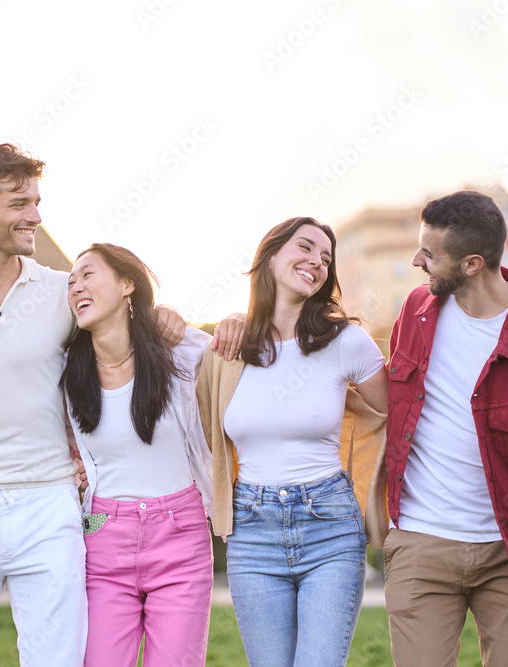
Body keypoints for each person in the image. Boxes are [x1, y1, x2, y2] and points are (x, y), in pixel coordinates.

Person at [0, 144, 187, 666]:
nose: (36, 216)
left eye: (37, 201)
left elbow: (121, 326)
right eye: (19, 203)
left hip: (49, 506)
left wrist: (167, 317)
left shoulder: (61, 293)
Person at [383, 190, 508, 666]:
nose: (417, 261)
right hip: (421, 542)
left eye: (429, 254)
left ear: (473, 263)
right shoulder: (415, 313)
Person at [197, 216, 388, 667]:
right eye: (305, 247)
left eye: (325, 258)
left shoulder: (347, 342)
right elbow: (194, 416)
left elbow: (394, 420)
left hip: (330, 524)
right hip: (251, 528)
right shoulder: (227, 350)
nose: (316, 262)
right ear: (269, 256)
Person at [61, 243, 214, 666]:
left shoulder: (177, 353)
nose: (77, 286)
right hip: (102, 535)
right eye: (71, 282)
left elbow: (230, 361)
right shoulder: (67, 373)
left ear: (127, 284)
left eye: (88, 274)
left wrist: (227, 320)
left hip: (180, 533)